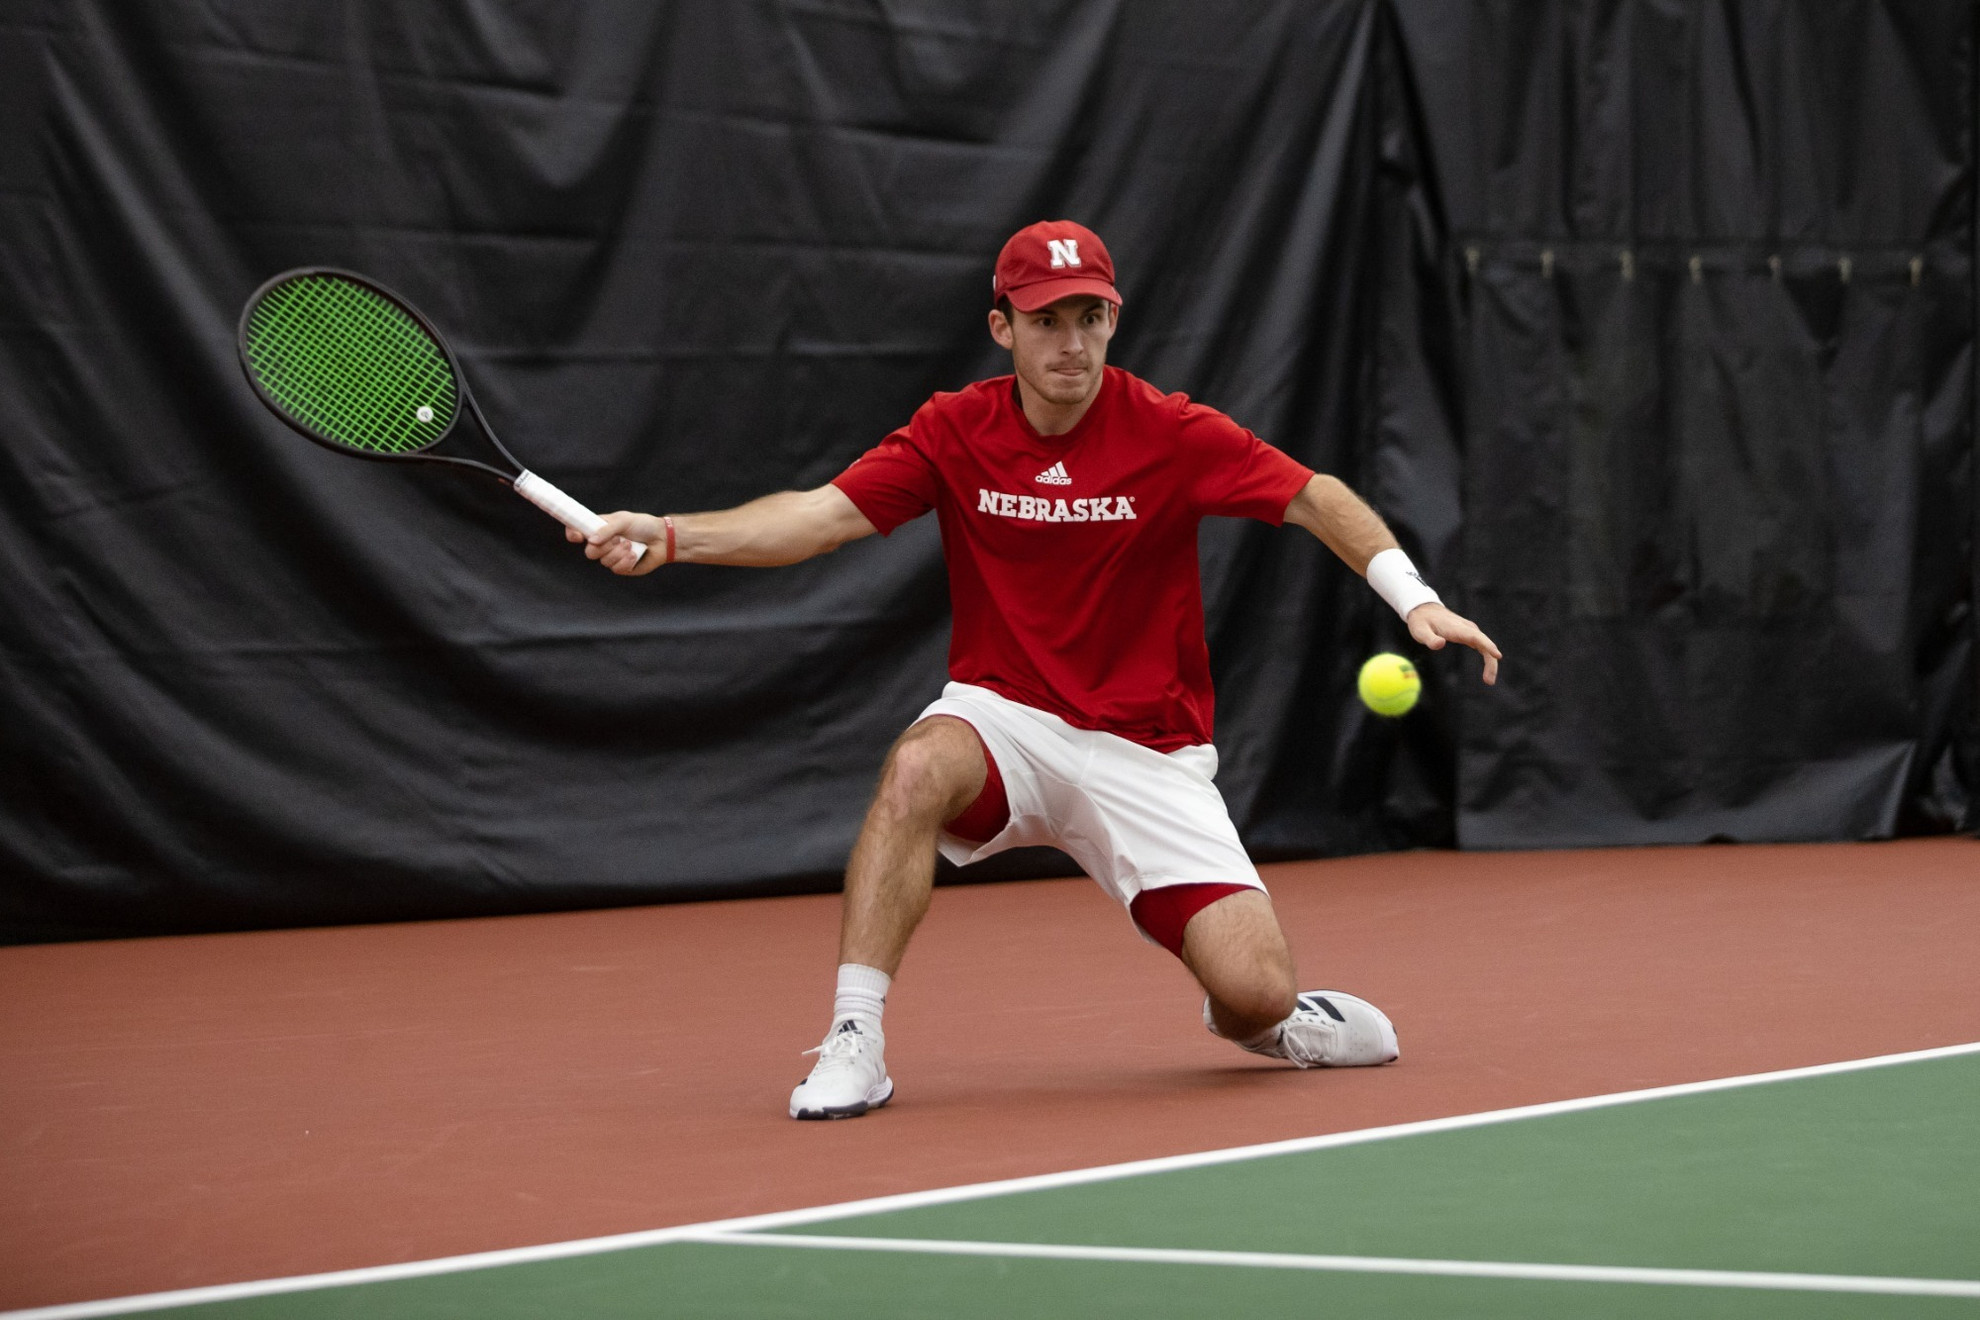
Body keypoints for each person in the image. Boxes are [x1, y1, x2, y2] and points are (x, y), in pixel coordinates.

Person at [574, 221, 1501, 1120]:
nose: (1071, 342)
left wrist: (1413, 598)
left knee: (1253, 990)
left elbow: (1316, 497)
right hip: (1005, 721)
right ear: (1002, 328)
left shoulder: (1169, 431)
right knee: (915, 766)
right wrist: (672, 535)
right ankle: (854, 1038)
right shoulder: (953, 430)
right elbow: (819, 519)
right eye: (1048, 319)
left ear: (1113, 321)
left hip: (1150, 749)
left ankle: (1274, 1022)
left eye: (1089, 317)